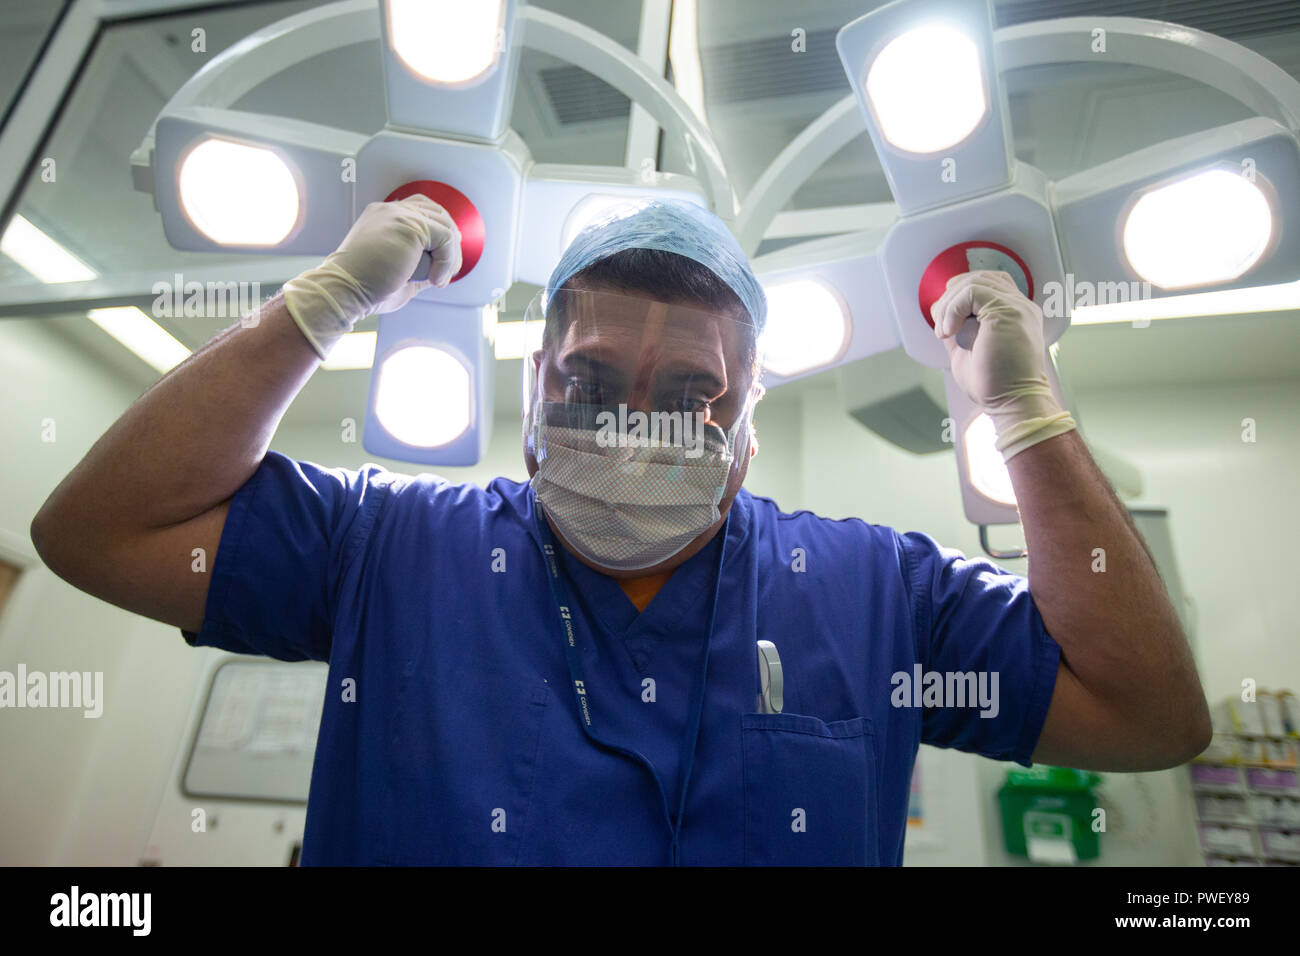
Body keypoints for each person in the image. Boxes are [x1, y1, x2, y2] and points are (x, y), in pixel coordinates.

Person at [30, 195, 1211, 865]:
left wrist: (1023, 410)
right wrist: (324, 298)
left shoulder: (875, 592)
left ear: (748, 424)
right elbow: (96, 530)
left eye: (689, 392)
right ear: (533, 384)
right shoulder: (383, 549)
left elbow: (1149, 712)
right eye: (592, 380)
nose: (634, 426)